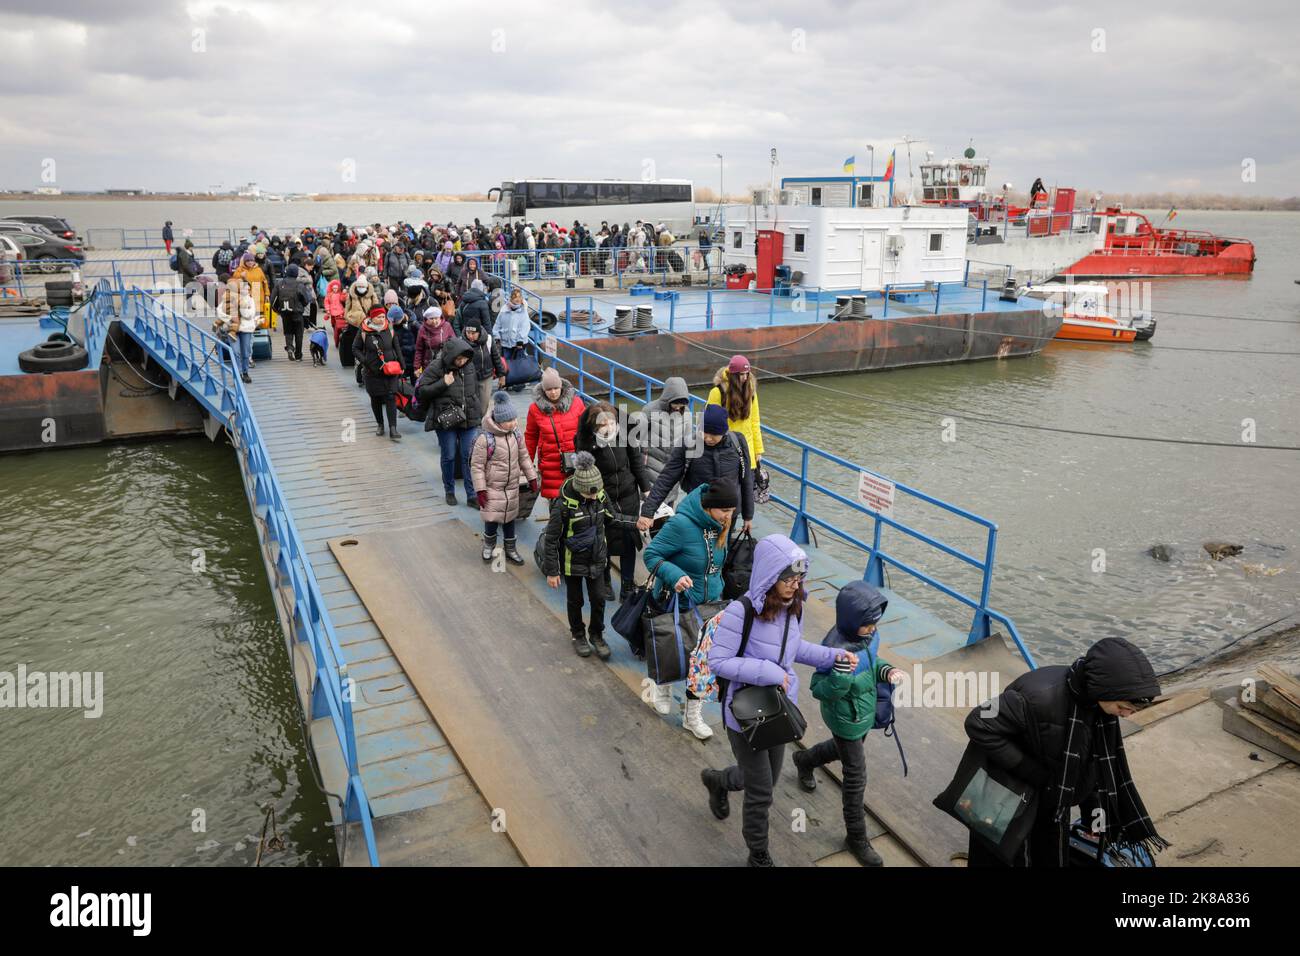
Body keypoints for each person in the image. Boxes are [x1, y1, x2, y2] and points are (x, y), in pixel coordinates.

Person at [699, 535, 852, 867]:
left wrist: (834, 656)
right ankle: (758, 855)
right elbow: (718, 662)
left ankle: (718, 781)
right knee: (762, 792)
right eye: (787, 579)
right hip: (744, 714)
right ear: (769, 576)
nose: (794, 585)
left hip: (778, 710)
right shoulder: (741, 612)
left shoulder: (792, 609)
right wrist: (768, 671)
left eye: (798, 579)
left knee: (761, 777)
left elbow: (794, 650)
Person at [961, 637, 1166, 867]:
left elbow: (1096, 768)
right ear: (1104, 689)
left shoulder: (1099, 709)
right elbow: (977, 721)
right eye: (1122, 707)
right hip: (1008, 793)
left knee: (1050, 856)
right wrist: (1030, 770)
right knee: (1005, 858)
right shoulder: (1035, 695)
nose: (1126, 715)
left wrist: (1095, 819)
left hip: (1054, 799)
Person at [793, 581, 903, 867]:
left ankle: (804, 759)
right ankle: (856, 837)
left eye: (876, 623)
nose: (873, 629)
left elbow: (872, 660)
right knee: (856, 778)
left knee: (840, 751)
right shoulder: (834, 650)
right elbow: (818, 688)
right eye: (868, 624)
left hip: (863, 712)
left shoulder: (868, 637)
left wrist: (886, 670)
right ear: (853, 621)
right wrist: (842, 677)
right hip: (844, 717)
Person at [641, 478, 737, 739]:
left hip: (711, 605)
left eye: (732, 511)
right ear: (709, 507)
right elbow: (651, 556)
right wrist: (675, 575)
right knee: (674, 649)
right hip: (678, 601)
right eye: (725, 511)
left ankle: (691, 716)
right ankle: (661, 684)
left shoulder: (721, 526)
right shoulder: (681, 525)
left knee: (703, 664)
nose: (729, 517)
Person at [540, 452, 617, 660]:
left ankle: (596, 634)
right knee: (575, 601)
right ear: (580, 488)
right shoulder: (562, 506)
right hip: (572, 562)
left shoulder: (600, 495)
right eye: (590, 495)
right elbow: (552, 539)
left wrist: (636, 522)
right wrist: (552, 571)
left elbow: (612, 518)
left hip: (597, 558)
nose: (595, 497)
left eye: (597, 494)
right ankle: (578, 635)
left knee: (599, 599)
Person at [574, 401, 649, 602]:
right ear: (594, 427)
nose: (609, 428)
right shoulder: (586, 444)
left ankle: (627, 584)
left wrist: (646, 489)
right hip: (603, 498)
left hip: (628, 495)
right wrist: (596, 447)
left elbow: (636, 462)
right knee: (603, 542)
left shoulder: (625, 436)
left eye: (612, 422)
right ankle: (605, 580)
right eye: (603, 424)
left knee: (628, 541)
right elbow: (585, 473)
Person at [637, 404, 753, 535]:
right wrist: (648, 511)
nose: (708, 438)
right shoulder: (688, 445)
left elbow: (746, 478)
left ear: (724, 431)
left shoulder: (738, 442)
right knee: (696, 552)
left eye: (713, 435)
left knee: (722, 551)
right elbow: (666, 478)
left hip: (727, 515)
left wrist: (748, 516)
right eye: (704, 433)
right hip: (698, 514)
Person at [470, 391, 539, 566]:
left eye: (515, 419)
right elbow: (477, 466)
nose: (514, 423)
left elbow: (524, 457)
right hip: (492, 487)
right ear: (499, 421)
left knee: (510, 519)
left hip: (511, 487)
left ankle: (510, 549)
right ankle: (489, 545)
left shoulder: (516, 435)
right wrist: (480, 489)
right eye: (510, 420)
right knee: (492, 518)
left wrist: (531, 477)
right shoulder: (485, 439)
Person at [417, 336, 482, 507]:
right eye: (458, 359)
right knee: (449, 455)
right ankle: (449, 491)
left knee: (469, 456)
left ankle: (471, 494)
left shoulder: (469, 366)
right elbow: (421, 391)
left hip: (468, 417)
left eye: (465, 358)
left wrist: (478, 410)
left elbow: (474, 389)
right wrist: (443, 383)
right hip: (447, 419)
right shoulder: (437, 367)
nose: (462, 362)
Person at [524, 367, 586, 507]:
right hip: (551, 462)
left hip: (575, 460)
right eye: (549, 389)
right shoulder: (535, 409)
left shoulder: (577, 403)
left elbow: (585, 431)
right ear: (543, 390)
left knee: (577, 500)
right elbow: (531, 437)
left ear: (561, 386)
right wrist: (527, 463)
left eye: (556, 388)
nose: (553, 392)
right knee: (555, 502)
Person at [632, 376, 692, 501]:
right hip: (651, 467)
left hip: (672, 469)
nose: (677, 407)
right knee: (649, 509)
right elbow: (636, 438)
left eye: (681, 404)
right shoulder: (650, 410)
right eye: (675, 403)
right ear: (667, 398)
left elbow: (688, 441)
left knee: (668, 510)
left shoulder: (686, 413)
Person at [706, 354, 764, 470]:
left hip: (747, 450)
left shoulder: (751, 393)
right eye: (741, 374)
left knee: (748, 487)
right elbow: (708, 422)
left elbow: (755, 422)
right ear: (733, 375)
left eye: (747, 374)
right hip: (726, 450)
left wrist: (758, 451)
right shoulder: (718, 393)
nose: (745, 378)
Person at [358, 306, 403, 441]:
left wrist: (402, 364)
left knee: (390, 397)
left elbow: (397, 347)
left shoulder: (389, 328)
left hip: (390, 370)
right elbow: (355, 348)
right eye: (379, 317)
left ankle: (393, 428)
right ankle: (380, 424)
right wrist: (365, 361)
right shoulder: (364, 331)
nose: (382, 319)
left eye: (383, 316)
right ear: (372, 317)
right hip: (372, 372)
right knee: (375, 398)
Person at [461, 315, 508, 419]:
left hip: (485, 376)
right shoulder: (461, 342)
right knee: (470, 404)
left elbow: (496, 357)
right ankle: (474, 424)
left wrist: (502, 375)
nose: (470, 336)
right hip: (469, 378)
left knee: (484, 404)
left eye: (473, 333)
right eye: (468, 333)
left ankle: (480, 422)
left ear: (479, 332)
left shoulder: (488, 340)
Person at [223, 276, 259, 384]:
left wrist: (241, 306)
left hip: (246, 328)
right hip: (232, 328)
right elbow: (222, 312)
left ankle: (245, 372)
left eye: (248, 288)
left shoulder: (251, 299)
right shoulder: (228, 298)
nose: (246, 290)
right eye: (244, 288)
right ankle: (237, 374)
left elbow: (249, 314)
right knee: (235, 352)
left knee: (246, 352)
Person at [273, 263, 311, 361]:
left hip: (285, 312)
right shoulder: (299, 284)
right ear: (296, 273)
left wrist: (277, 310)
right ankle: (298, 355)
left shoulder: (280, 283)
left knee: (288, 331)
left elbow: (273, 299)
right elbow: (306, 300)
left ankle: (289, 347)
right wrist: (301, 306)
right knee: (299, 333)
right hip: (297, 312)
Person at [340, 274, 376, 368]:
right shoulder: (351, 295)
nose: (361, 288)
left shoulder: (372, 294)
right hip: (354, 323)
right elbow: (347, 308)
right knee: (355, 343)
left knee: (366, 343)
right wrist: (348, 317)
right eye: (359, 286)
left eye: (363, 286)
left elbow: (376, 307)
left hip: (368, 323)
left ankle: (364, 360)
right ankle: (353, 360)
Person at [414, 304, 454, 375]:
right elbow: (419, 350)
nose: (434, 321)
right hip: (428, 365)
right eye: (431, 319)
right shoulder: (422, 329)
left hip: (444, 363)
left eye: (436, 318)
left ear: (440, 317)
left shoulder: (447, 326)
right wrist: (417, 367)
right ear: (427, 319)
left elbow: (454, 343)